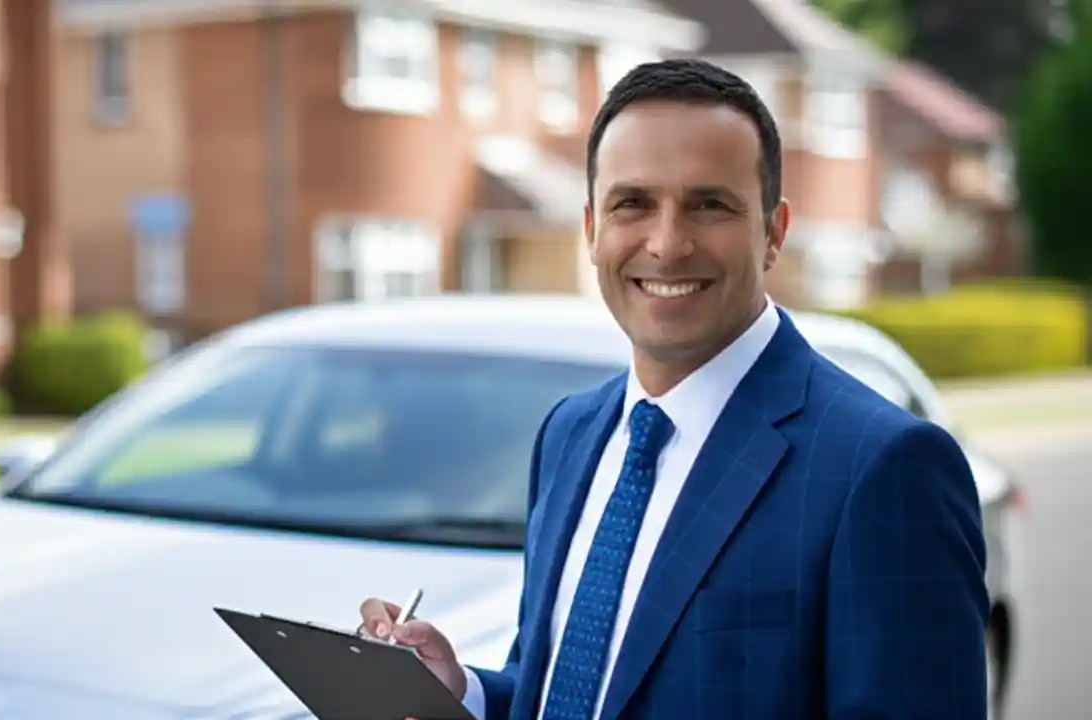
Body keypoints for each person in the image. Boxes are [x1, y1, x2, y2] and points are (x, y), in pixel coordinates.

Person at [360, 58, 989, 719]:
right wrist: (462, 695)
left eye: (709, 205)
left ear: (773, 233)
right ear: (591, 229)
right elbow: (574, 691)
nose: (666, 243)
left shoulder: (884, 467)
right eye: (633, 203)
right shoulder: (570, 434)